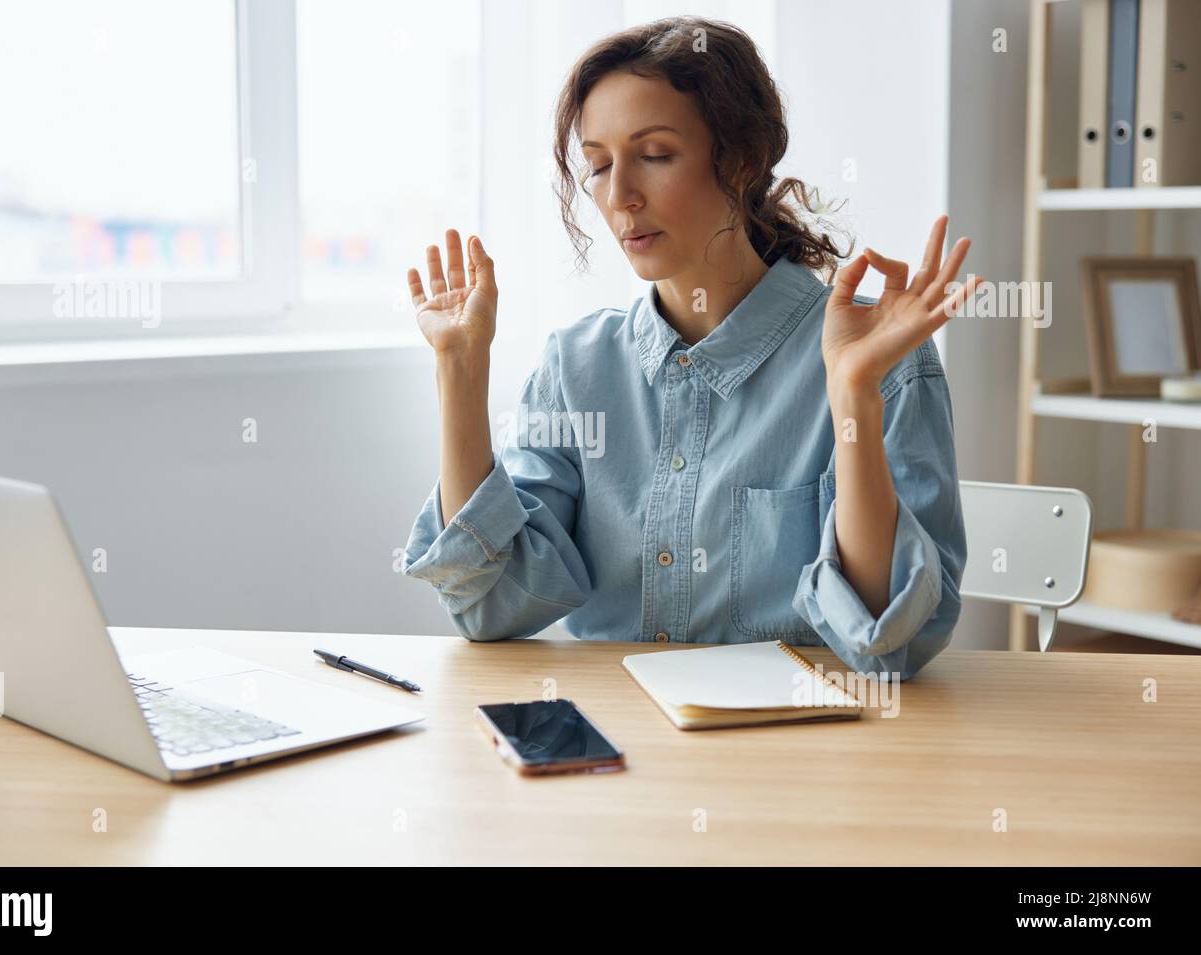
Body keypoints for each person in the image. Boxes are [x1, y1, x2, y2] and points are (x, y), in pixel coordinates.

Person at [400, 16, 976, 680]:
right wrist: (459, 369)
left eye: (655, 155)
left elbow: (888, 646)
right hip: (610, 756)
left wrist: (852, 396)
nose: (620, 197)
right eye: (598, 164)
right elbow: (488, 609)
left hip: (798, 761)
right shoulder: (575, 366)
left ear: (741, 159)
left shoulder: (881, 356)